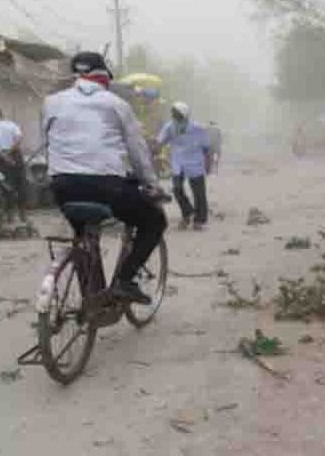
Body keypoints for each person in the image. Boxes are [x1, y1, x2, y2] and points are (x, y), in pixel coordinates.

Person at [44, 52, 166, 305]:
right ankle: (125, 280)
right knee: (154, 220)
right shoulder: (116, 104)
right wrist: (151, 184)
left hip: (62, 185)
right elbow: (137, 150)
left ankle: (93, 297)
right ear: (104, 77)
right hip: (105, 186)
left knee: (84, 237)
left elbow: (47, 140)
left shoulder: (51, 102)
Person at [158, 102, 212, 230]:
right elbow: (160, 141)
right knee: (177, 189)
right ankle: (187, 212)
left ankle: (200, 220)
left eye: (177, 114)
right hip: (178, 163)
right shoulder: (169, 127)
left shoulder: (197, 128)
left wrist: (208, 164)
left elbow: (206, 148)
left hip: (195, 164)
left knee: (199, 193)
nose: (175, 116)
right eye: (173, 113)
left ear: (185, 115)